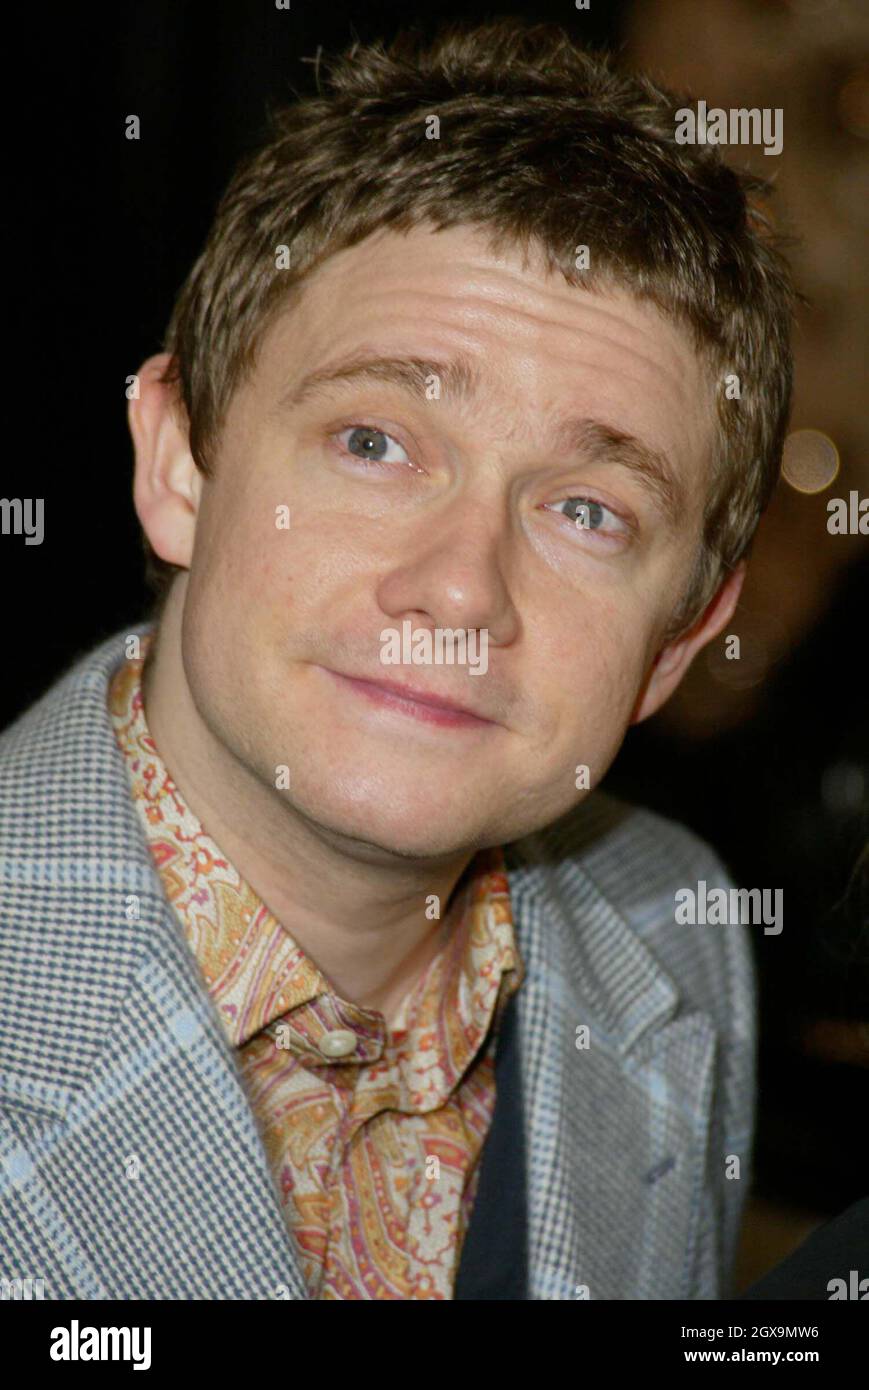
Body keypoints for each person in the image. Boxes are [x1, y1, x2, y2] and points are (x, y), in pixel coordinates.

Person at [0, 19, 797, 1300]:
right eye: (374, 441)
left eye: (585, 510)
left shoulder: (672, 927)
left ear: (677, 641)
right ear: (179, 466)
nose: (459, 586)